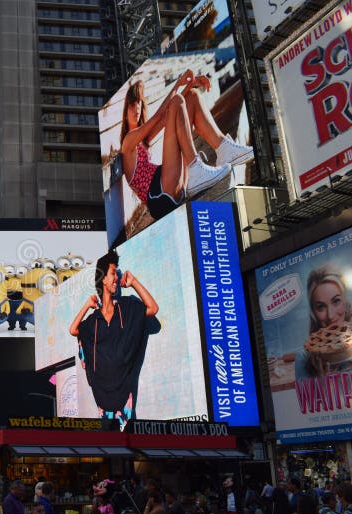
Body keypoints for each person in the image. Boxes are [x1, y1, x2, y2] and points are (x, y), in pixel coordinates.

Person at [117, 72, 251, 220]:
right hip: (159, 196)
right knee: (177, 101)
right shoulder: (128, 142)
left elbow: (165, 115)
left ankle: (223, 149)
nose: (136, 108)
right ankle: (195, 168)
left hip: (170, 184)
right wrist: (178, 84)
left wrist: (190, 85)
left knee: (192, 96)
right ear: (124, 112)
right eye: (131, 105)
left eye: (138, 103)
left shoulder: (143, 139)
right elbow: (159, 114)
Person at [70, 250, 159, 429]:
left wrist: (133, 282)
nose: (116, 278)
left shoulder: (126, 308)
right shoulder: (94, 321)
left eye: (117, 274)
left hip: (124, 393)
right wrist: (87, 305)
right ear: (103, 278)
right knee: (109, 447)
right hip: (102, 398)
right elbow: (73, 330)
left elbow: (153, 308)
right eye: (113, 273)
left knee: (127, 444)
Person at [301, 266, 352, 377]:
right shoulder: (304, 359)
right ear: (313, 312)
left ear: (345, 302)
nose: (330, 316)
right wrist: (323, 383)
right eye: (321, 307)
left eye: (336, 301)